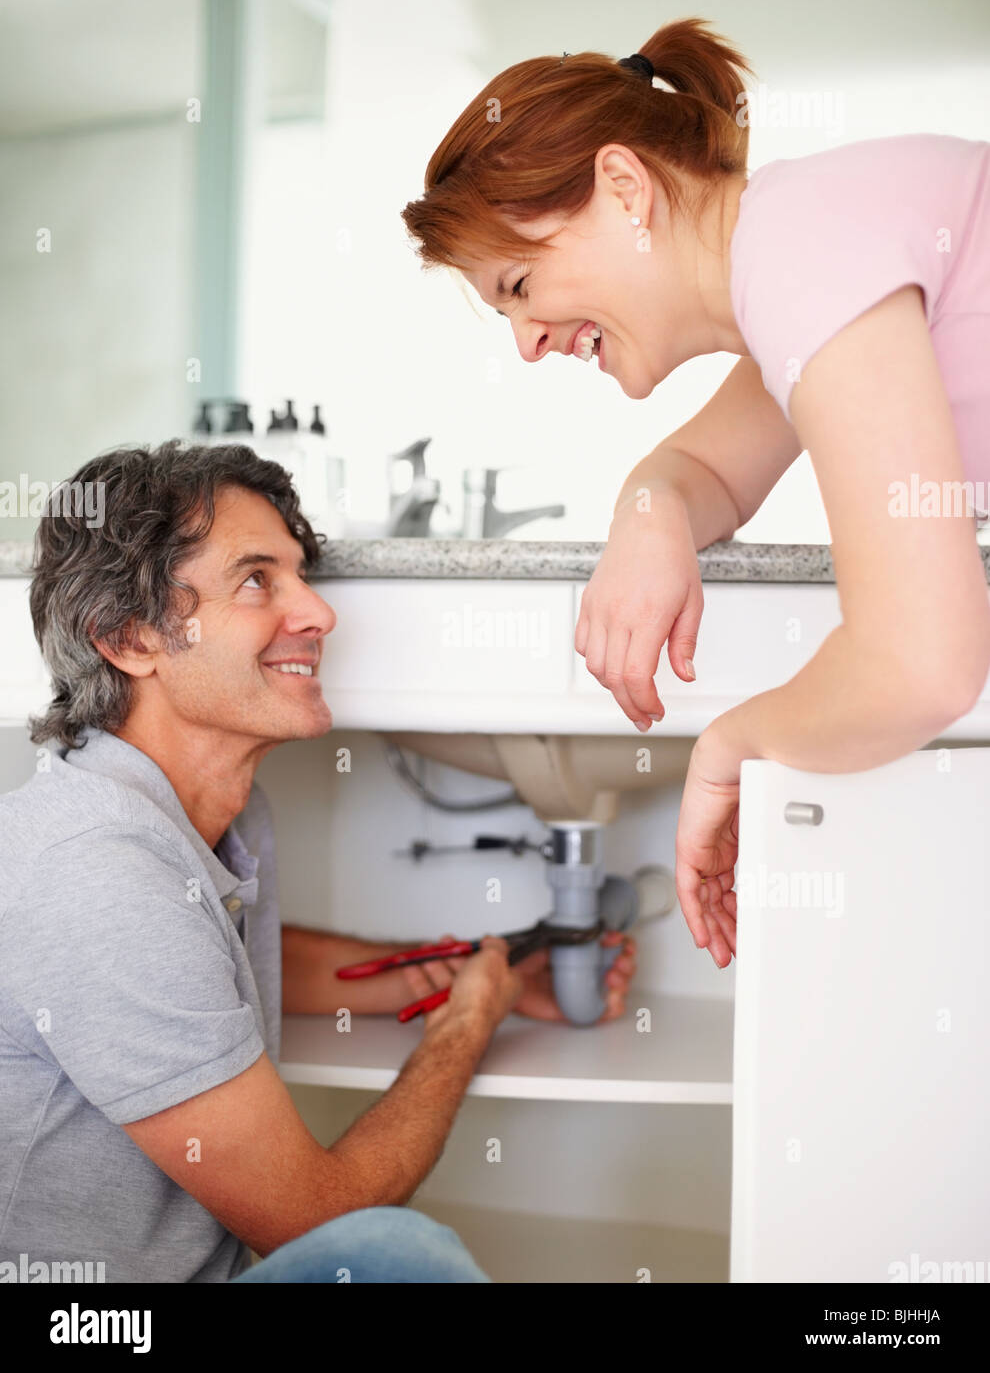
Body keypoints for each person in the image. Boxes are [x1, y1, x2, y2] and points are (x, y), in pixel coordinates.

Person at [401, 15, 990, 971]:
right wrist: (651, 504)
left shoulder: (803, 248)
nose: (526, 342)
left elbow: (920, 664)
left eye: (519, 282)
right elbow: (707, 469)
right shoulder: (792, 263)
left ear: (625, 188)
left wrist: (731, 747)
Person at [0, 441, 635, 1283]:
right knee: (397, 1257)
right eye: (258, 580)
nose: (319, 614)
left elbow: (210, 969)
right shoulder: (96, 872)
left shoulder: (219, 812)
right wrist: (465, 1029)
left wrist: (478, 978)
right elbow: (315, 1220)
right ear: (130, 636)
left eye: (303, 576)